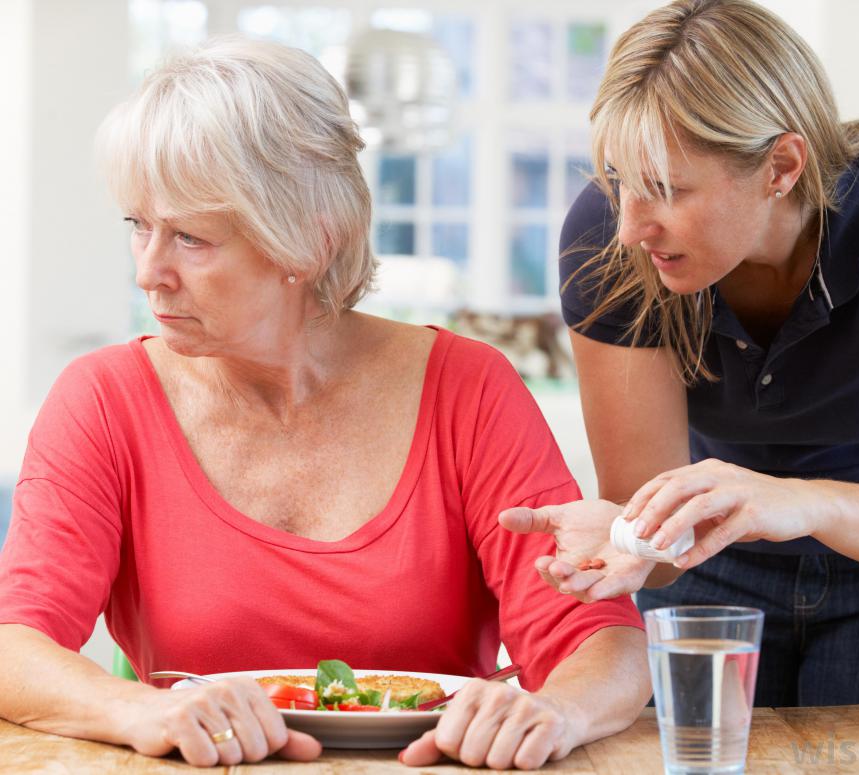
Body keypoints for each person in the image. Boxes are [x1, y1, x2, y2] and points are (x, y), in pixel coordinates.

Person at [0, 37, 649, 770]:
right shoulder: (103, 401)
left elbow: (601, 640)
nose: (150, 272)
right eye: (138, 226)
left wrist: (554, 711)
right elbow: (14, 644)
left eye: (190, 236)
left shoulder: (469, 389)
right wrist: (138, 708)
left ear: (307, 242)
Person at [499, 1, 859, 772]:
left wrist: (803, 500)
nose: (631, 225)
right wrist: (630, 540)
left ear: (782, 167)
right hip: (712, 566)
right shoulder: (607, 238)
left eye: (665, 187)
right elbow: (660, 550)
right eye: (619, 182)